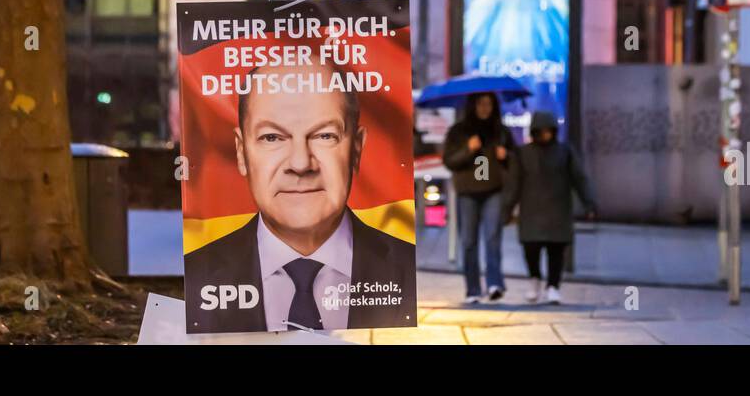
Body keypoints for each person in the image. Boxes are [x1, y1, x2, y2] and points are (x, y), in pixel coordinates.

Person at [183, 57, 416, 333]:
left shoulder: (403, 269)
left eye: (324, 136)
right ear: (241, 152)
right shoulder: (198, 274)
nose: (301, 163)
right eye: (272, 137)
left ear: (356, 149)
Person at [502, 110, 596, 304]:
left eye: (548, 130)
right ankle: (534, 279)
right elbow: (514, 183)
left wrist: (589, 203)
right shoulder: (523, 153)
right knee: (531, 248)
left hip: (558, 209)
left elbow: (579, 178)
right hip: (531, 209)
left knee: (556, 250)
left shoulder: (565, 152)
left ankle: (553, 285)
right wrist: (507, 208)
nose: (545, 134)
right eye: (541, 130)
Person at [441, 91, 515, 302]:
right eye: (481, 104)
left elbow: (515, 160)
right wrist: (468, 149)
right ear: (473, 106)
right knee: (469, 241)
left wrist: (506, 156)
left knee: (493, 237)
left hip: (493, 190)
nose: (485, 108)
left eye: (489, 104)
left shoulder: (500, 132)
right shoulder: (458, 132)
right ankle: (473, 289)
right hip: (467, 192)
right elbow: (449, 160)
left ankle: (494, 283)